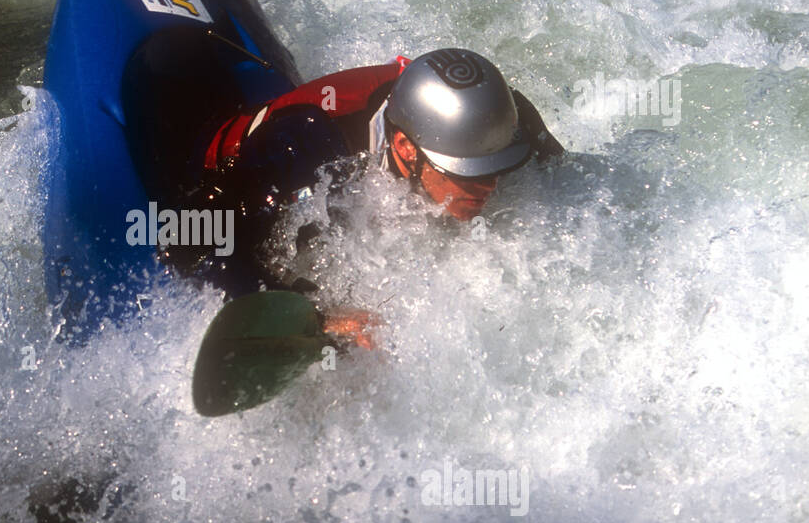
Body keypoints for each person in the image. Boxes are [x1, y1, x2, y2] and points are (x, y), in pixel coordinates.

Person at [123, 38, 564, 344]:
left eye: (495, 166)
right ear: (407, 149)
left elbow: (566, 177)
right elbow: (186, 236)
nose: (489, 185)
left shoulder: (507, 117)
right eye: (466, 173)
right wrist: (310, 319)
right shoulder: (311, 149)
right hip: (221, 163)